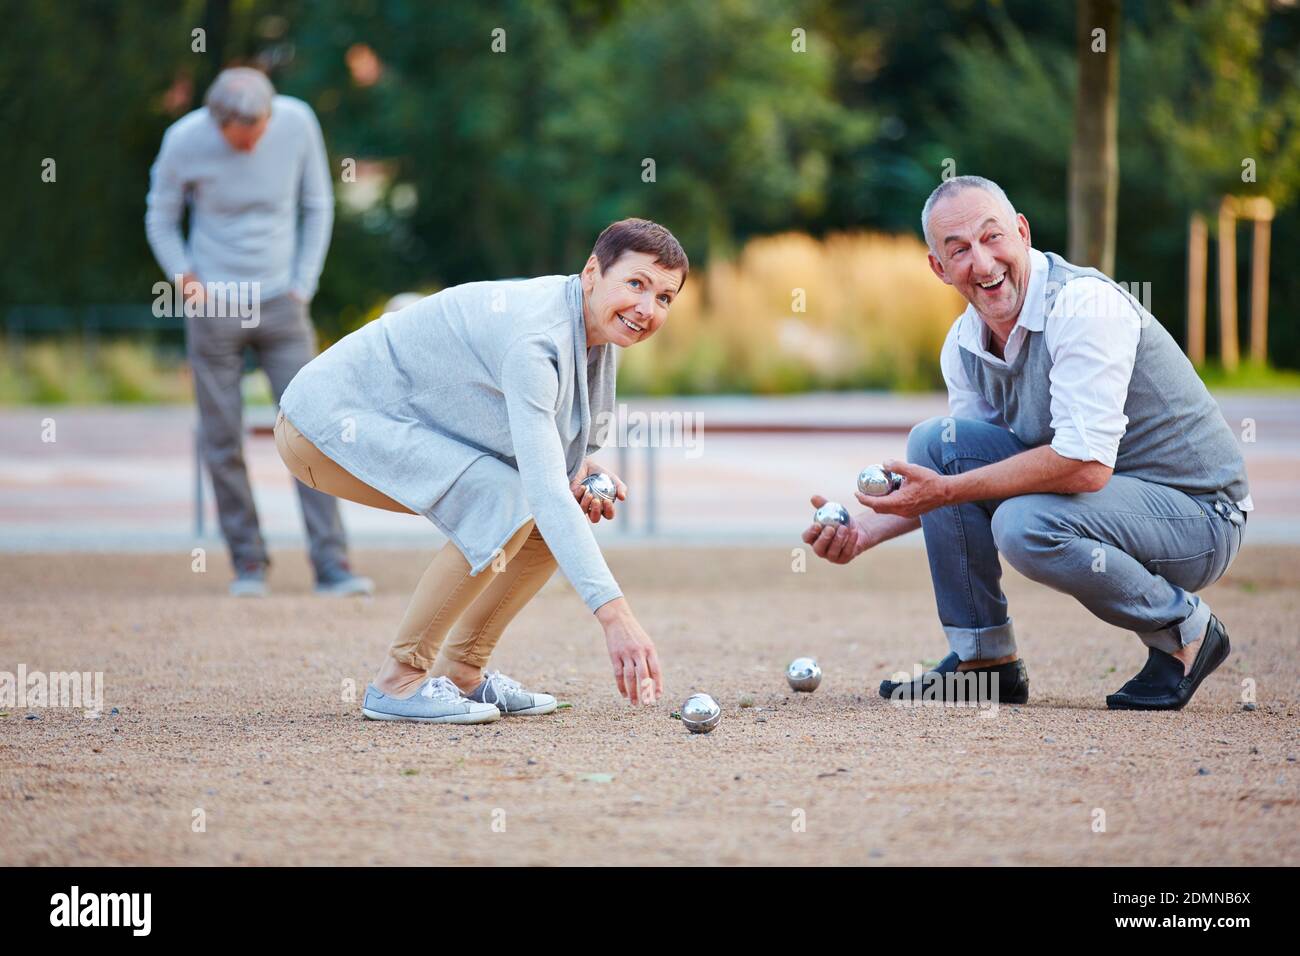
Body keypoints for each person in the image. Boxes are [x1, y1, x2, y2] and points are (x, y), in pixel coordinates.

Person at [804, 175, 1249, 711]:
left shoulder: (1084, 306)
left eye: (993, 237)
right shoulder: (965, 343)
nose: (984, 263)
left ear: (1022, 232)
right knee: (937, 443)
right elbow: (959, 482)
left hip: (1199, 515)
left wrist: (944, 491)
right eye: (959, 250)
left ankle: (1186, 635)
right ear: (938, 269)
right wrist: (868, 529)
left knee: (1025, 524)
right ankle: (984, 661)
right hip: (1108, 505)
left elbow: (1084, 467)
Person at [274, 218, 688, 723]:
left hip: (382, 421)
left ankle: (463, 675)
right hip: (322, 423)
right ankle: (397, 683)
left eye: (665, 297)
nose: (647, 309)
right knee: (507, 498)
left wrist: (577, 469)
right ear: (591, 272)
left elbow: (549, 463)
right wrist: (615, 616)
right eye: (636, 284)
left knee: (539, 509)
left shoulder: (596, 330)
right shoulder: (537, 340)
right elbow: (541, 486)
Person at [145, 66, 371, 598]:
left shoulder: (297, 122)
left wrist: (303, 285)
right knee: (222, 435)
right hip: (215, 305)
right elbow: (160, 215)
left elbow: (317, 204)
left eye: (261, 127)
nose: (255, 140)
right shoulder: (184, 140)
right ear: (217, 120)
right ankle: (248, 562)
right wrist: (186, 280)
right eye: (243, 134)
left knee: (312, 428)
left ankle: (332, 564)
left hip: (282, 301)